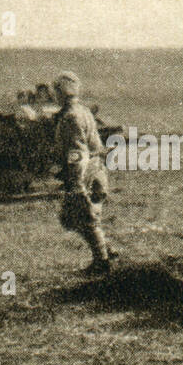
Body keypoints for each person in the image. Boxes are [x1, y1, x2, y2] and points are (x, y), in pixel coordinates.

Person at [52, 71, 114, 275]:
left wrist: (76, 182)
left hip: (85, 173)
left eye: (56, 91)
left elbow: (78, 152)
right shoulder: (83, 111)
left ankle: (102, 260)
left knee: (83, 217)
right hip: (96, 169)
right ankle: (104, 249)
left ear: (61, 93)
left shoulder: (71, 117)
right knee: (74, 218)